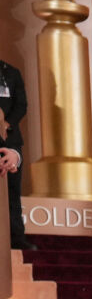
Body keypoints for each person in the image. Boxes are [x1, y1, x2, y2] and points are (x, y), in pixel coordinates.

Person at [1, 55, 25, 247]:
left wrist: (6, 124)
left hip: (10, 138)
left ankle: (17, 239)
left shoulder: (11, 72)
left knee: (13, 192)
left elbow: (21, 105)